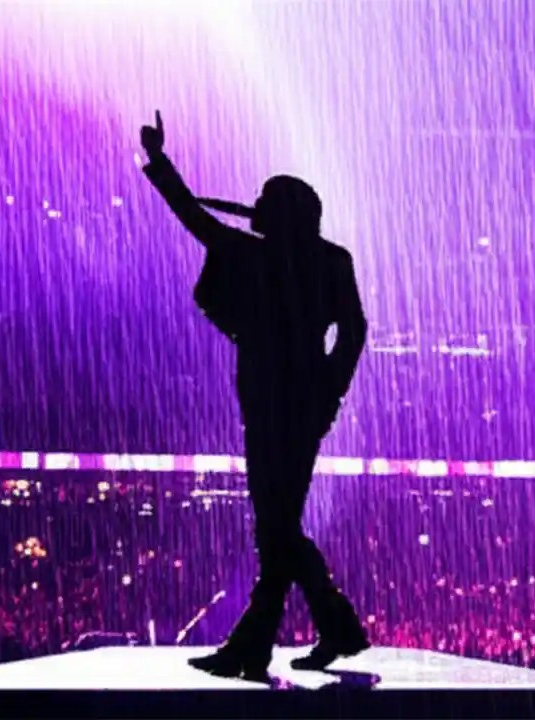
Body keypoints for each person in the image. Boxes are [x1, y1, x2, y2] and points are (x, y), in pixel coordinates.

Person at [139, 111, 370, 681]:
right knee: (278, 526)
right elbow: (354, 331)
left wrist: (160, 162)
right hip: (294, 405)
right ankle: (331, 629)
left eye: (266, 198)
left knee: (275, 527)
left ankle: (258, 645)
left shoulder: (260, 255)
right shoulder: (325, 259)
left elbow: (190, 213)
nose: (255, 204)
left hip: (277, 403)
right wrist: (329, 389)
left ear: (285, 212)